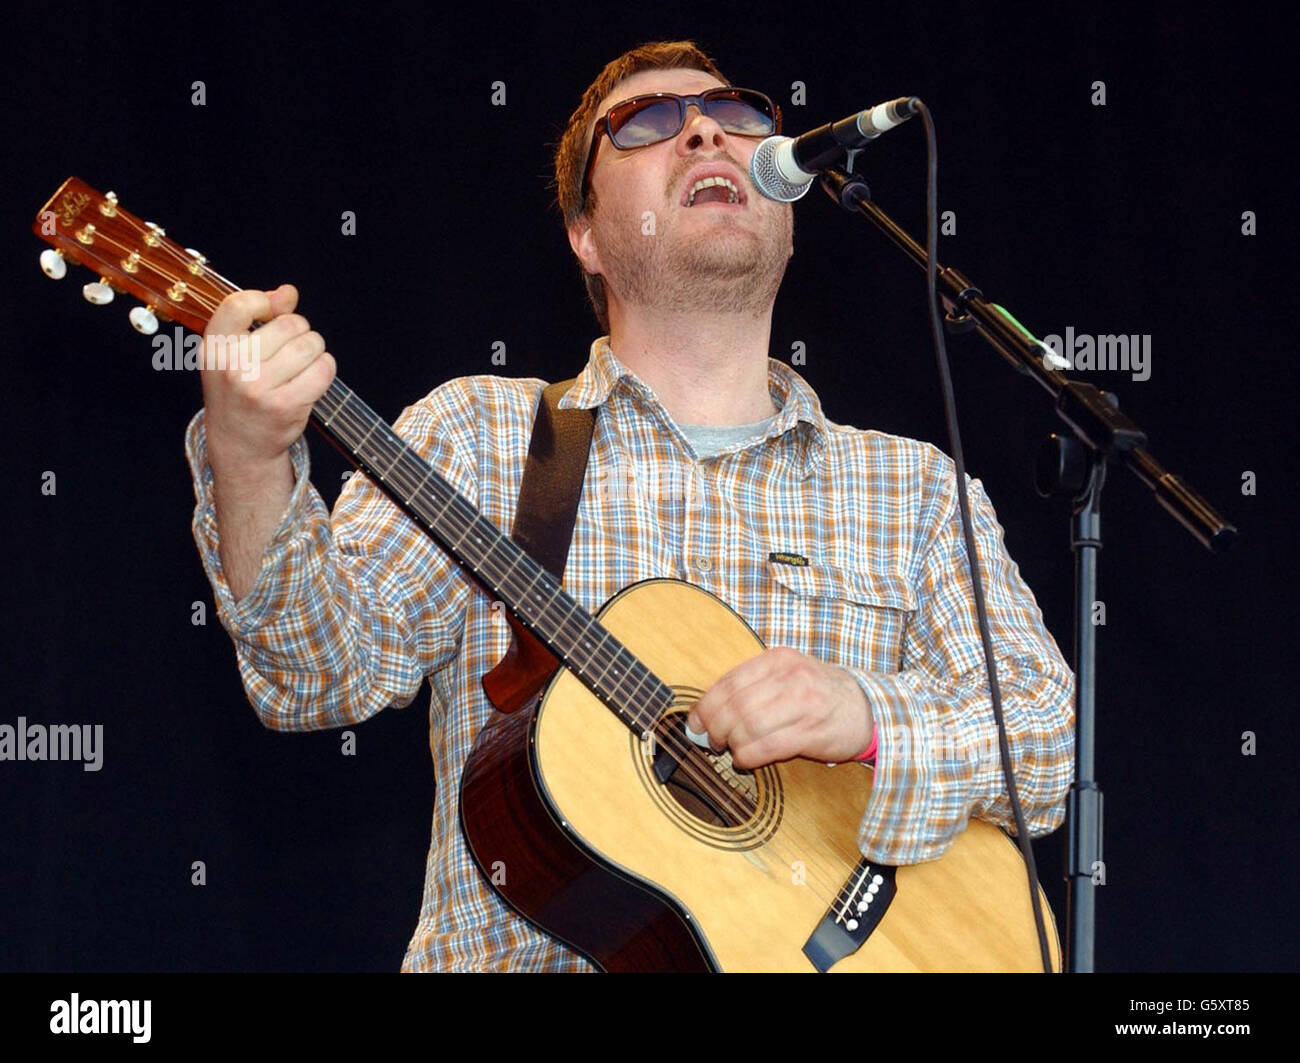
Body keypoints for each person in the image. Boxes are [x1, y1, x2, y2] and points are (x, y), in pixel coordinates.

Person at [186, 40, 1075, 972]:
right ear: (586, 234)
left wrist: (869, 715)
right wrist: (249, 461)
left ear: (791, 204)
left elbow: (1047, 740)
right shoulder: (483, 438)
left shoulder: (916, 490)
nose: (702, 131)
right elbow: (316, 676)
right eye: (647, 125)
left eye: (737, 118)